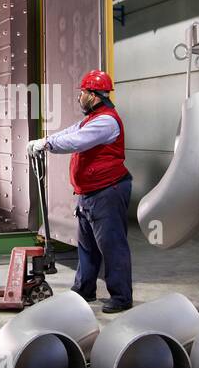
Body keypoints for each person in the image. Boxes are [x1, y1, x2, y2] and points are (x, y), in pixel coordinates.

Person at [27, 70, 133, 314]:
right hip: (89, 193)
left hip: (108, 191)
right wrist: (44, 140)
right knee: (87, 246)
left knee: (112, 245)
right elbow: (70, 133)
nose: (80, 97)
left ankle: (121, 297)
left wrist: (47, 145)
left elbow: (78, 141)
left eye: (83, 92)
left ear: (94, 95)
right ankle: (84, 290)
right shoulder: (91, 118)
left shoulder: (106, 121)